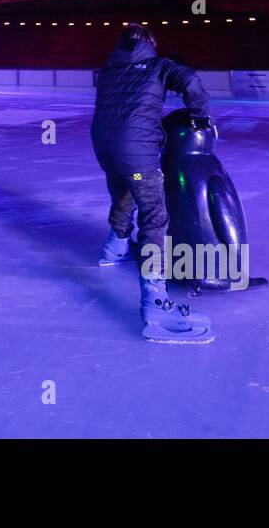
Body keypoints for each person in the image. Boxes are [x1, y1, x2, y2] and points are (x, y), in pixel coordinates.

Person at [90, 24, 214, 342]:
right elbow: (190, 81)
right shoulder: (159, 66)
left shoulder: (108, 70)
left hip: (104, 146)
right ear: (150, 43)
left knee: (123, 196)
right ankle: (156, 301)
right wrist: (200, 116)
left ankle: (114, 248)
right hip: (136, 151)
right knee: (154, 216)